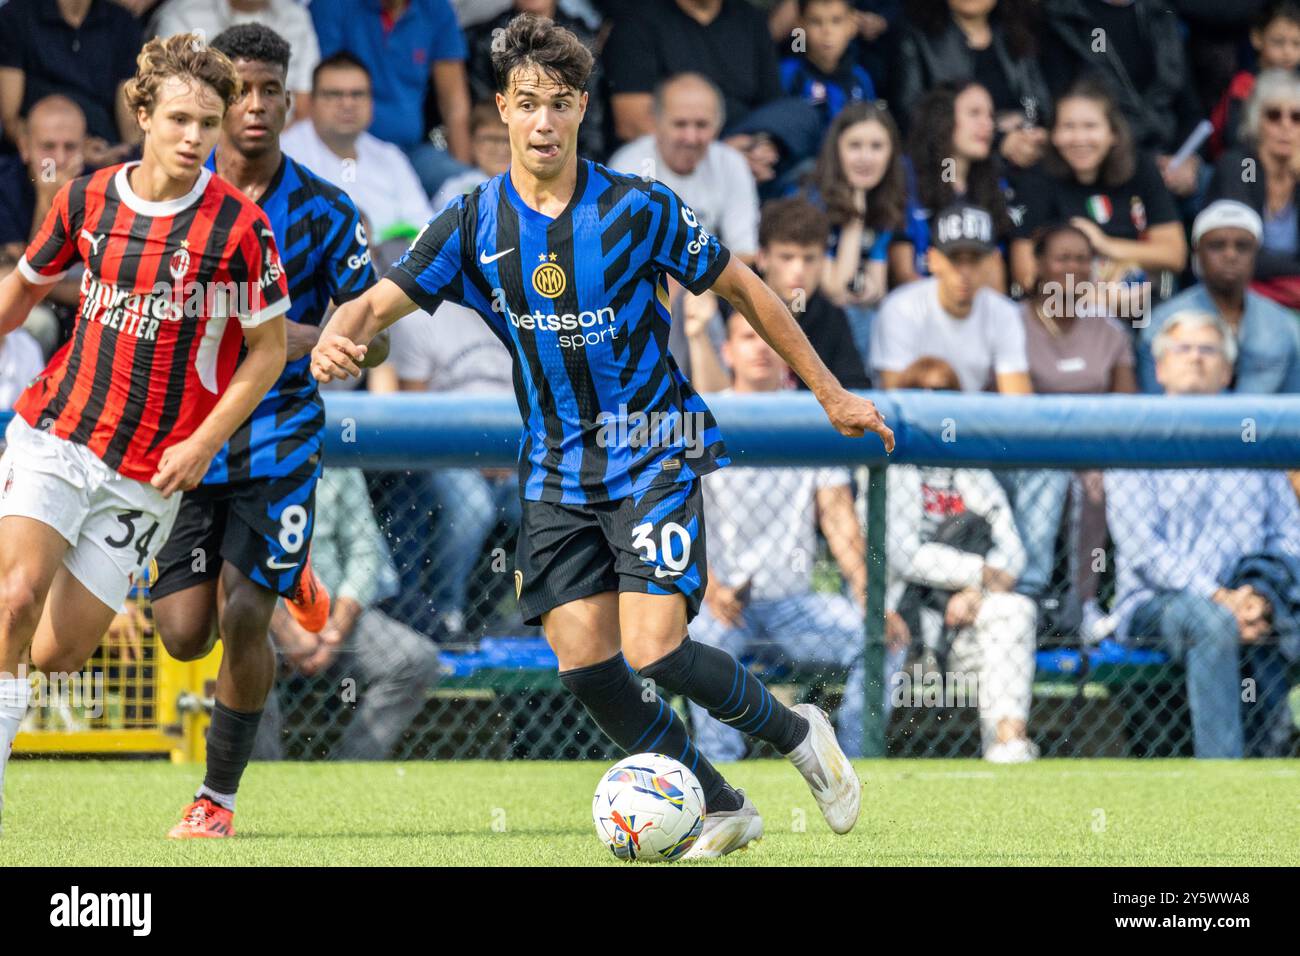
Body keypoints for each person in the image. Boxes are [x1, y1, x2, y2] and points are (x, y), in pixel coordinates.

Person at [311, 13, 894, 858]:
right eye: (524, 103)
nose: (542, 122)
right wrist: (338, 332)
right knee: (585, 665)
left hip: (654, 448)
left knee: (655, 648)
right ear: (501, 111)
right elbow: (376, 301)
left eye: (558, 103)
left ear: (583, 106)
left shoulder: (639, 208)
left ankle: (799, 733)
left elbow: (748, 291)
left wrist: (832, 394)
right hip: (553, 471)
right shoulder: (472, 221)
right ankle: (724, 802)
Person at [0, 33, 290, 833]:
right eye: (181, 120)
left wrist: (204, 444)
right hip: (57, 432)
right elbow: (23, 292)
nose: (196, 137)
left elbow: (265, 354)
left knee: (54, 655)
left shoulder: (239, 228)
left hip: (146, 473)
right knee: (15, 597)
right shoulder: (86, 199)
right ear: (144, 115)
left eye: (209, 121)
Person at [148, 25, 382, 840]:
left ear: (292, 98)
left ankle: (216, 801)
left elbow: (374, 330)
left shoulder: (326, 209)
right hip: (184, 438)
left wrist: (327, 341)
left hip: (279, 436)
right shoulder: (170, 191)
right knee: (183, 635)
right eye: (237, 92)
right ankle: (293, 572)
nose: (253, 106)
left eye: (268, 90)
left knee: (245, 617)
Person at [687, 309, 881, 761]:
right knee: (698, 647)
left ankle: (855, 758)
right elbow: (682, 517)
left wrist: (869, 596)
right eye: (746, 337)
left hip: (795, 604)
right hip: (723, 601)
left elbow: (838, 518)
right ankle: (723, 769)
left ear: (785, 355)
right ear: (727, 351)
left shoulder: (812, 420)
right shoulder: (705, 419)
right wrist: (710, 586)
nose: (759, 347)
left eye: (766, 339)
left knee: (882, 639)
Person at [1106, 310, 1300, 758]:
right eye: (1183, 349)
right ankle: (1224, 778)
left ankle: (1274, 754)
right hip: (1154, 606)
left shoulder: (1256, 439)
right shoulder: (1134, 438)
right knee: (1211, 622)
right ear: (1159, 367)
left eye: (1208, 350)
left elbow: (1287, 535)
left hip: (1251, 599)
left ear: (1228, 369)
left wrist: (1259, 595)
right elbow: (1143, 551)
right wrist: (1218, 597)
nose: (1195, 358)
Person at [884, 356, 1039, 762]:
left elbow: (1013, 549)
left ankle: (1009, 742)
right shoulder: (890, 464)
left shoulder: (968, 467)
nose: (935, 401)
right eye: (924, 393)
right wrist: (975, 572)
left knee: (1017, 609)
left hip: (968, 616)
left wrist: (976, 589)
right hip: (909, 624)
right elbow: (903, 555)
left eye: (945, 393)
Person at [254, 467, 442, 761]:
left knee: (416, 659)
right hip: (262, 613)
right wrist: (285, 626)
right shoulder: (246, 453)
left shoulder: (337, 457)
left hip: (334, 613)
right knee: (244, 657)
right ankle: (263, 776)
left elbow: (364, 548)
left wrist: (337, 627)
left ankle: (350, 770)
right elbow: (235, 559)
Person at [1017, 223, 1136, 616]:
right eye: (1062, 257)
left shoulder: (1109, 330)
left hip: (1094, 451)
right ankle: (1028, 595)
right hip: (1030, 450)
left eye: (1083, 259)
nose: (1074, 267)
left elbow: (1127, 408)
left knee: (1098, 486)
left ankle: (1084, 604)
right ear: (1038, 264)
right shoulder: (1012, 322)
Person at [1010, 75, 1187, 300]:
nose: (1079, 138)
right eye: (1068, 127)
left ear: (1113, 133)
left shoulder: (1140, 168)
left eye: (1090, 126)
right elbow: (1025, 274)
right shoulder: (1038, 177)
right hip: (1063, 309)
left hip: (1138, 301)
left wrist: (1104, 244)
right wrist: (1096, 300)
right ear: (1053, 134)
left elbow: (1174, 254)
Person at [685, 198, 869, 392]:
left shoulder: (830, 317)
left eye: (809, 258)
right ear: (763, 258)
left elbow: (856, 390)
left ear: (823, 261)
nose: (798, 270)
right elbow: (706, 398)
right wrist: (699, 335)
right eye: (786, 257)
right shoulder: (720, 302)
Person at [309, 0, 472, 197]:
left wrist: (462, 171)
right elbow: (326, 86)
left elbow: (454, 105)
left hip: (412, 152)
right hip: (347, 150)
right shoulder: (331, 6)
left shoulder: (435, 7)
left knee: (471, 191)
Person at [1040, 0, 1203, 194]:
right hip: (1101, 161)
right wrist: (1143, 165)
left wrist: (1188, 160)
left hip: (1170, 159)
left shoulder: (1162, 12)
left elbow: (1189, 108)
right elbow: (1060, 110)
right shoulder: (1063, 16)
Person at [1140, 200, 1300, 393]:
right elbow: (1151, 405)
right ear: (1197, 253)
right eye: (1217, 246)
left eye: (1242, 246)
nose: (1230, 255)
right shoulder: (1163, 322)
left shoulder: (1284, 326)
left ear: (1256, 255)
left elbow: (1292, 409)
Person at [872, 202, 1030, 392]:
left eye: (975, 259)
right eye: (954, 258)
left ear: (994, 261)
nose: (965, 272)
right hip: (914, 418)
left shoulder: (1004, 313)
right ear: (933, 259)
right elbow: (894, 400)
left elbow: (1017, 400)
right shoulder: (900, 308)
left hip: (972, 420)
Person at [281, 53, 434, 245]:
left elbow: (424, 230)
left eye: (357, 94)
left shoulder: (390, 156)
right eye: (334, 94)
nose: (347, 104)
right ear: (311, 102)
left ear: (371, 102)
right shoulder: (284, 154)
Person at [607, 73, 760, 264]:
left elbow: (744, 251)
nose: (691, 137)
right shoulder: (628, 167)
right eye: (680, 124)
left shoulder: (732, 163)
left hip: (712, 284)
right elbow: (623, 256)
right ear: (656, 123)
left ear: (718, 125)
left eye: (702, 125)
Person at [801, 100, 907, 362]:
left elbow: (877, 288)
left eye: (877, 147)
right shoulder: (812, 200)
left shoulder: (884, 199)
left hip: (856, 315)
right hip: (808, 316)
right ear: (836, 150)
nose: (866, 158)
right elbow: (835, 290)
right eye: (854, 146)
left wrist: (864, 289)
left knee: (877, 314)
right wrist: (855, 216)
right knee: (851, 314)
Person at [895, 0, 1051, 173]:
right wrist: (999, 139)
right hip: (949, 168)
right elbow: (912, 114)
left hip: (1023, 162)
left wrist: (1032, 132)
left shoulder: (1015, 32)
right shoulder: (918, 37)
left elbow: (1036, 102)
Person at [893, 81, 1012, 289]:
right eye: (974, 113)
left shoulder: (993, 185)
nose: (987, 124)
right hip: (919, 306)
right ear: (943, 119)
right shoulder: (907, 175)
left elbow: (995, 276)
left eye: (990, 116)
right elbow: (903, 273)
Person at [0, 0, 143, 164]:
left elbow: (130, 127)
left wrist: (126, 154)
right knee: (51, 176)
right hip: (43, 158)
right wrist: (72, 148)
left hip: (104, 155)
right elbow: (10, 121)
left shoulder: (122, 23)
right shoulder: (15, 17)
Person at [467, 0, 606, 161]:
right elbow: (483, 116)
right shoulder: (486, 40)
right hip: (503, 154)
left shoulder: (583, 38)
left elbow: (591, 125)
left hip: (569, 156)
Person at [1209, 69, 1300, 309]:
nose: (1286, 125)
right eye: (1273, 115)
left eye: (1296, 117)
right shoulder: (1239, 166)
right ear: (1254, 120)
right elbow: (1240, 253)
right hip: (1242, 296)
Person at [152, 0, 321, 122]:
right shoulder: (183, 14)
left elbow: (304, 107)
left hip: (280, 143)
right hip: (202, 141)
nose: (254, 105)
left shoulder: (296, 17)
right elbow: (171, 95)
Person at [1209, 1, 1300, 161]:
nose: (1288, 52)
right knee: (1246, 173)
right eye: (1278, 42)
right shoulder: (1244, 85)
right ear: (1257, 38)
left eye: (1296, 44)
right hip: (1247, 161)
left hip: (1287, 167)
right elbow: (1235, 139)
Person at [779, 0, 877, 136]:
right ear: (800, 26)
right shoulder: (788, 73)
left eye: (836, 21)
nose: (827, 31)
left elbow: (871, 128)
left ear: (852, 24)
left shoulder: (861, 78)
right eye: (816, 22)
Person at [431, 101, 513, 213]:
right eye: (490, 139)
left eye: (507, 139)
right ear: (472, 143)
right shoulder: (455, 189)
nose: (500, 148)